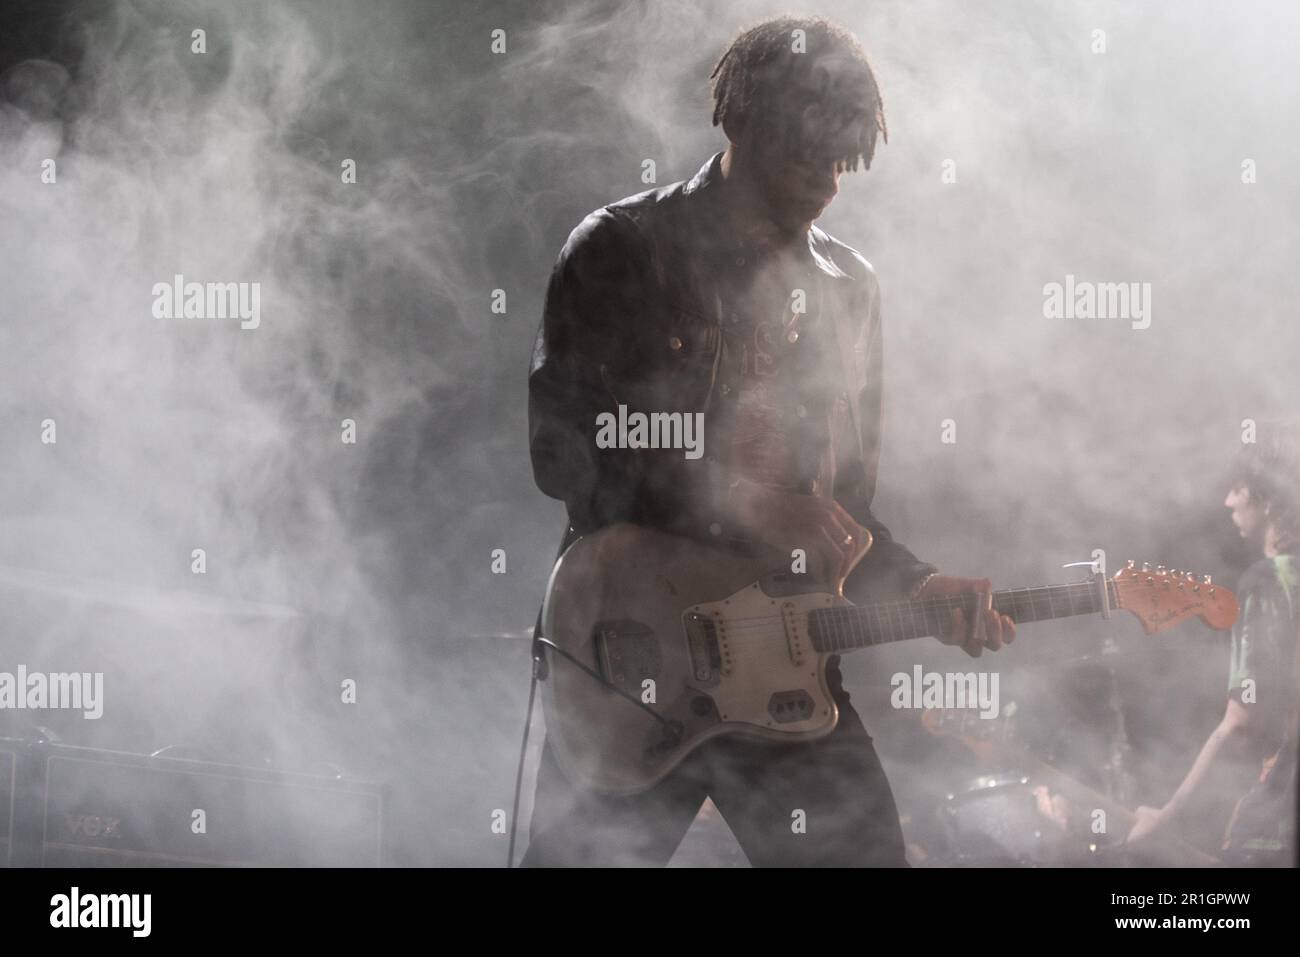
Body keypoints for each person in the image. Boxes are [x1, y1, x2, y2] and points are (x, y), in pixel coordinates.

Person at [523, 15, 1015, 867]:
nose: (826, 183)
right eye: (804, 154)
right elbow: (563, 450)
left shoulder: (850, 291)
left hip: (787, 672)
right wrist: (741, 500)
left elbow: (843, 514)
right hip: (631, 654)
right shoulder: (624, 248)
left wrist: (924, 585)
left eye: (842, 162)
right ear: (739, 123)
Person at [1127, 423, 1300, 865]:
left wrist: (1168, 813)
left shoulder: (1267, 581)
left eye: (1237, 487)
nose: (1228, 501)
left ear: (1267, 495)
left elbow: (1238, 723)